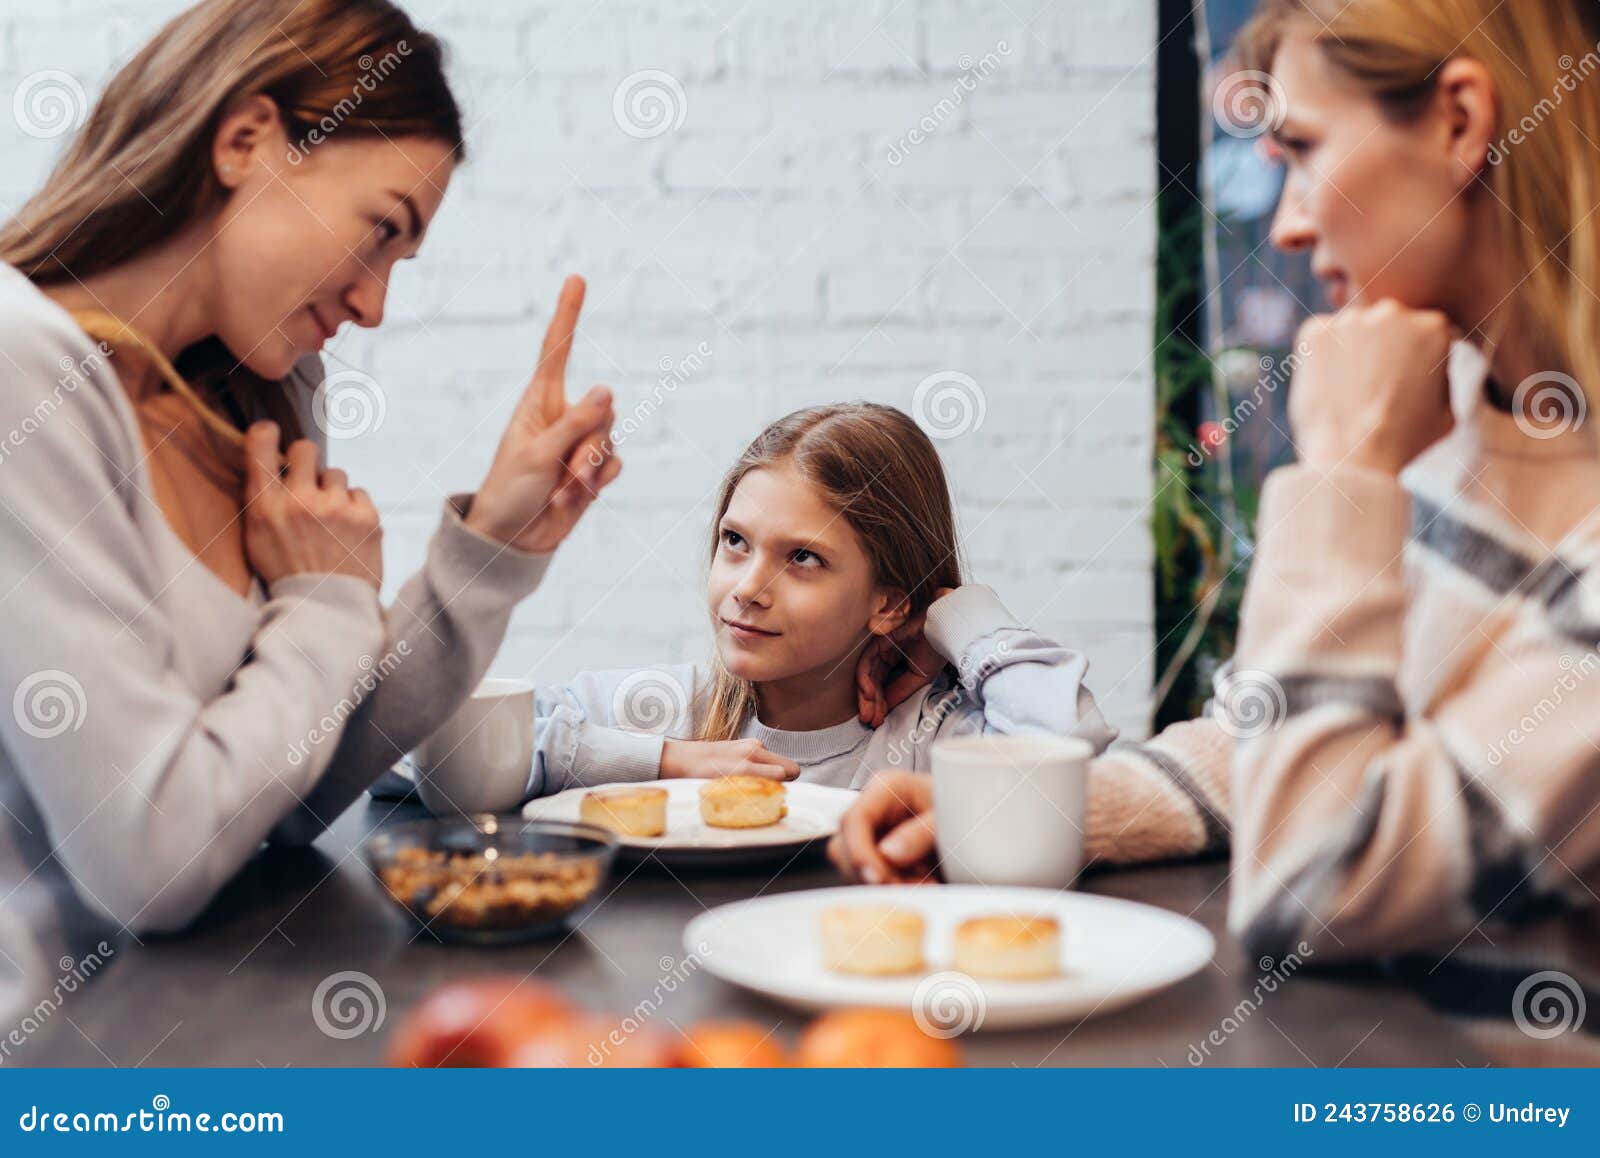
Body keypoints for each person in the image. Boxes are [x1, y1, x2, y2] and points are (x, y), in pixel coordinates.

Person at [834, 0, 1600, 1062]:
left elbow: (1316, 883)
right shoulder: (1463, 431)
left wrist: (1342, 480)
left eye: (1304, 149)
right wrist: (1032, 813)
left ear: (1462, 124)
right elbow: (1284, 741)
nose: (1286, 225)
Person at [0, 0, 618, 1028]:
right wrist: (327, 602)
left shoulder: (262, 395)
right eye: (381, 231)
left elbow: (277, 797)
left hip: (196, 1025)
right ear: (246, 140)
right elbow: (152, 860)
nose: (374, 305)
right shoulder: (19, 367)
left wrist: (494, 548)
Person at [461, 403, 1122, 799]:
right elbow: (429, 748)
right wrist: (667, 761)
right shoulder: (669, 712)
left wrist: (957, 614)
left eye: (802, 558)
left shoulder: (938, 738)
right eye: (735, 542)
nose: (748, 588)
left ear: (890, 603)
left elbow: (1072, 761)